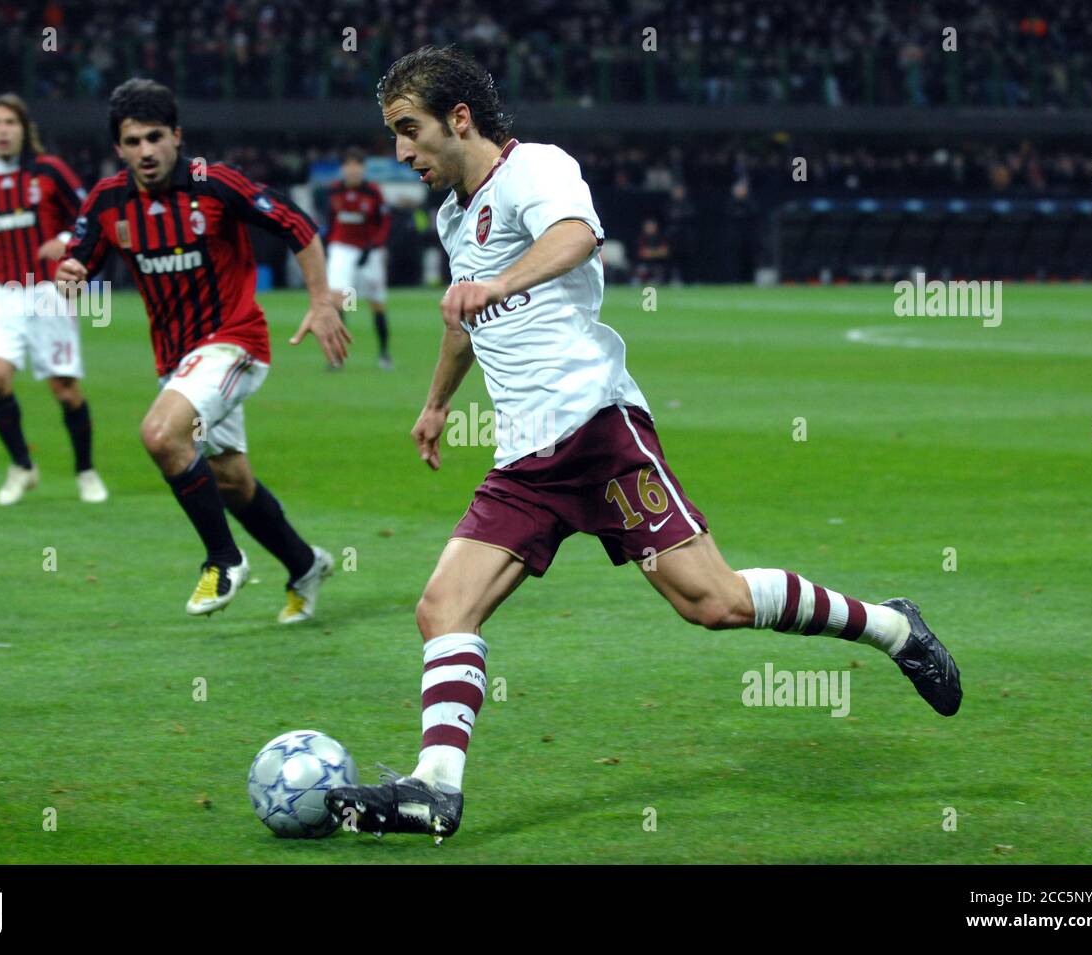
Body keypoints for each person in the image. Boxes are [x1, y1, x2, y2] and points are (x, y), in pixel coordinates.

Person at [326, 46, 962, 843]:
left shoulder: (536, 170)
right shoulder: (455, 214)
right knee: (442, 606)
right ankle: (434, 790)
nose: (401, 153)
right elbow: (465, 316)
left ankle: (891, 626)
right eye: (393, 135)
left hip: (597, 433)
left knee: (715, 602)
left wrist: (498, 283)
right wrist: (435, 403)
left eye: (408, 130)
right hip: (524, 458)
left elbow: (576, 238)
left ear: (460, 119)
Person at [55, 79, 350, 622]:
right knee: (233, 481)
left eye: (155, 137)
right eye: (132, 141)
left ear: (177, 136)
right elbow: (81, 258)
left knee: (159, 434)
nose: (146, 151)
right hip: (178, 361)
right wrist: (70, 271)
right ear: (118, 148)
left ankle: (223, 558)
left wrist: (322, 300)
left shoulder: (215, 184)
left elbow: (298, 226)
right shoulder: (107, 202)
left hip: (235, 343)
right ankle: (305, 563)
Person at [0, 93, 107, 506]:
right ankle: (22, 465)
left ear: (24, 130)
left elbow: (90, 211)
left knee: (66, 391)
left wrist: (61, 240)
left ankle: (85, 470)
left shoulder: (50, 170)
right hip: (1, 293)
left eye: (11, 122)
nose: (3, 130)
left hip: (45, 292)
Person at [325, 148, 393, 368]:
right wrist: (329, 244)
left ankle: (384, 354)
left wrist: (374, 245)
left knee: (376, 302)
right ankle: (337, 357)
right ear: (343, 168)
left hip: (369, 252)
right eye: (348, 165)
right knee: (339, 300)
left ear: (363, 169)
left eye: (357, 165)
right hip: (342, 250)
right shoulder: (334, 191)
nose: (352, 170)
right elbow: (330, 220)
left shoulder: (373, 193)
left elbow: (384, 223)